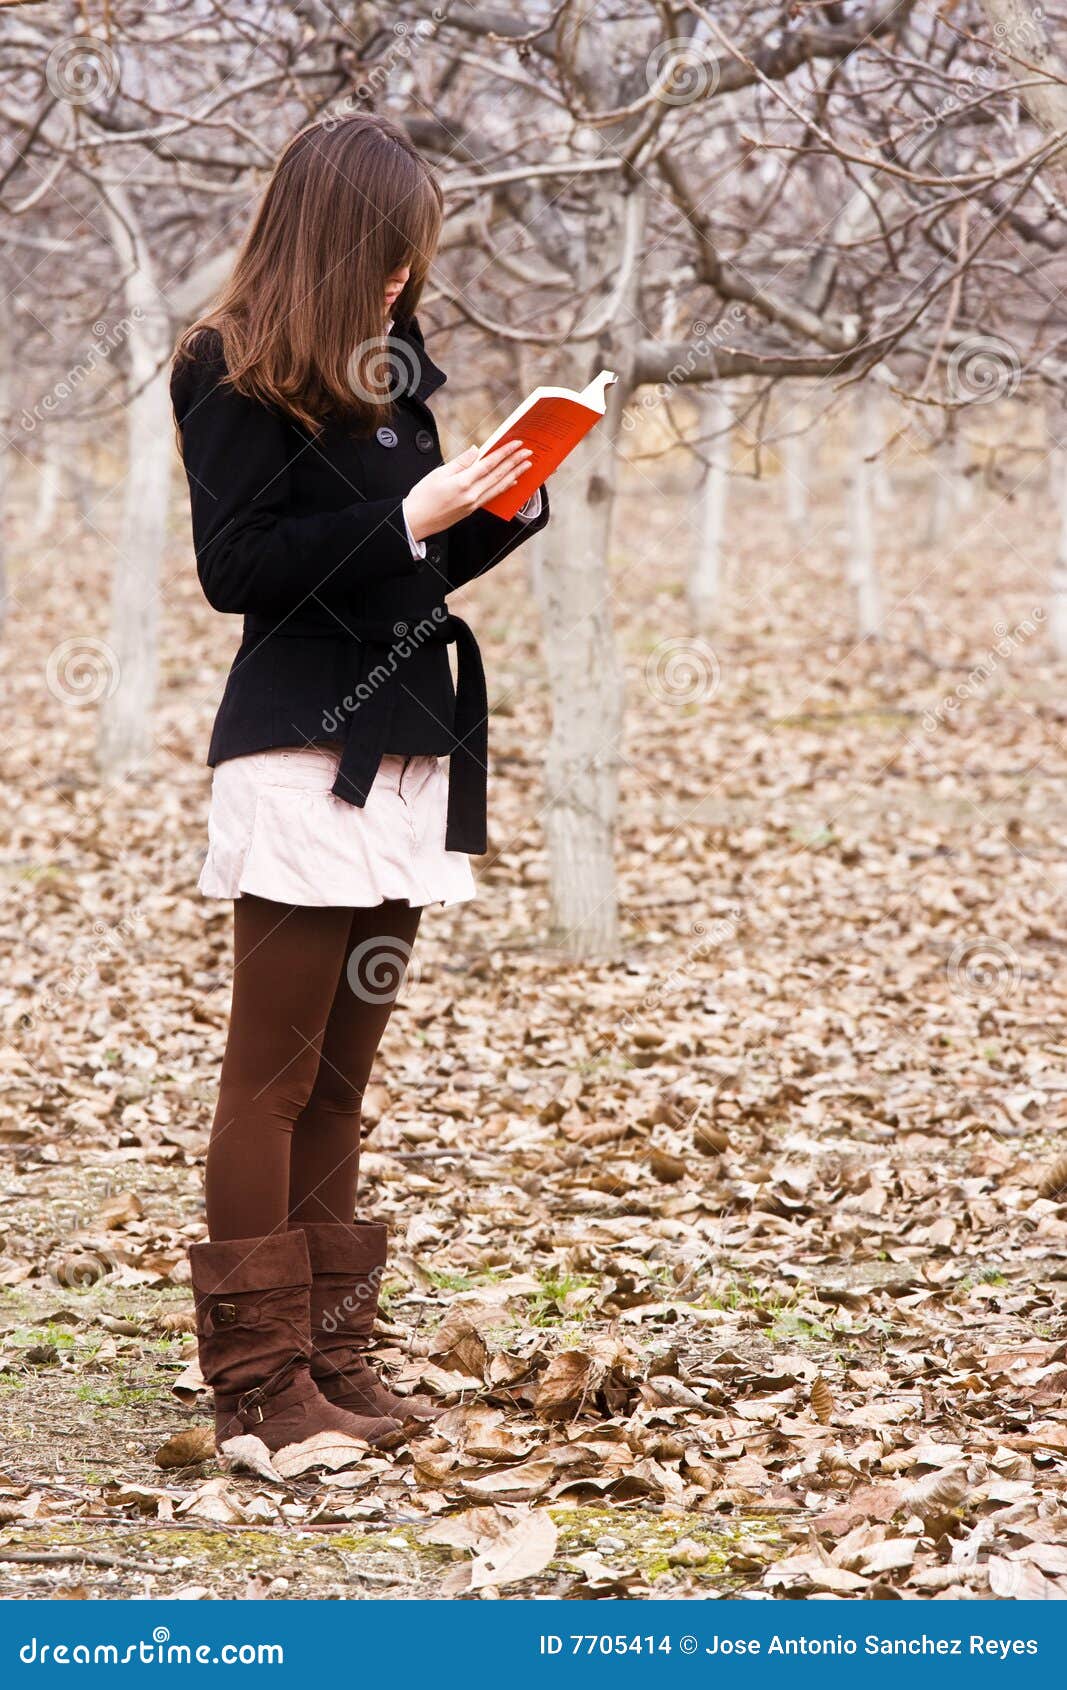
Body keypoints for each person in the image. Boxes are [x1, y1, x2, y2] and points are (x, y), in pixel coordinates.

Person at [170, 113, 548, 1460]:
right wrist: (408, 517)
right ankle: (259, 1392)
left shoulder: (396, 378)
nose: (404, 283)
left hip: (403, 749)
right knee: (267, 1078)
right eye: (390, 257)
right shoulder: (229, 367)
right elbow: (244, 567)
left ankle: (334, 1356)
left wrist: (488, 513)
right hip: (293, 754)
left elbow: (404, 579)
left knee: (340, 1078)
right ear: (341, 243)